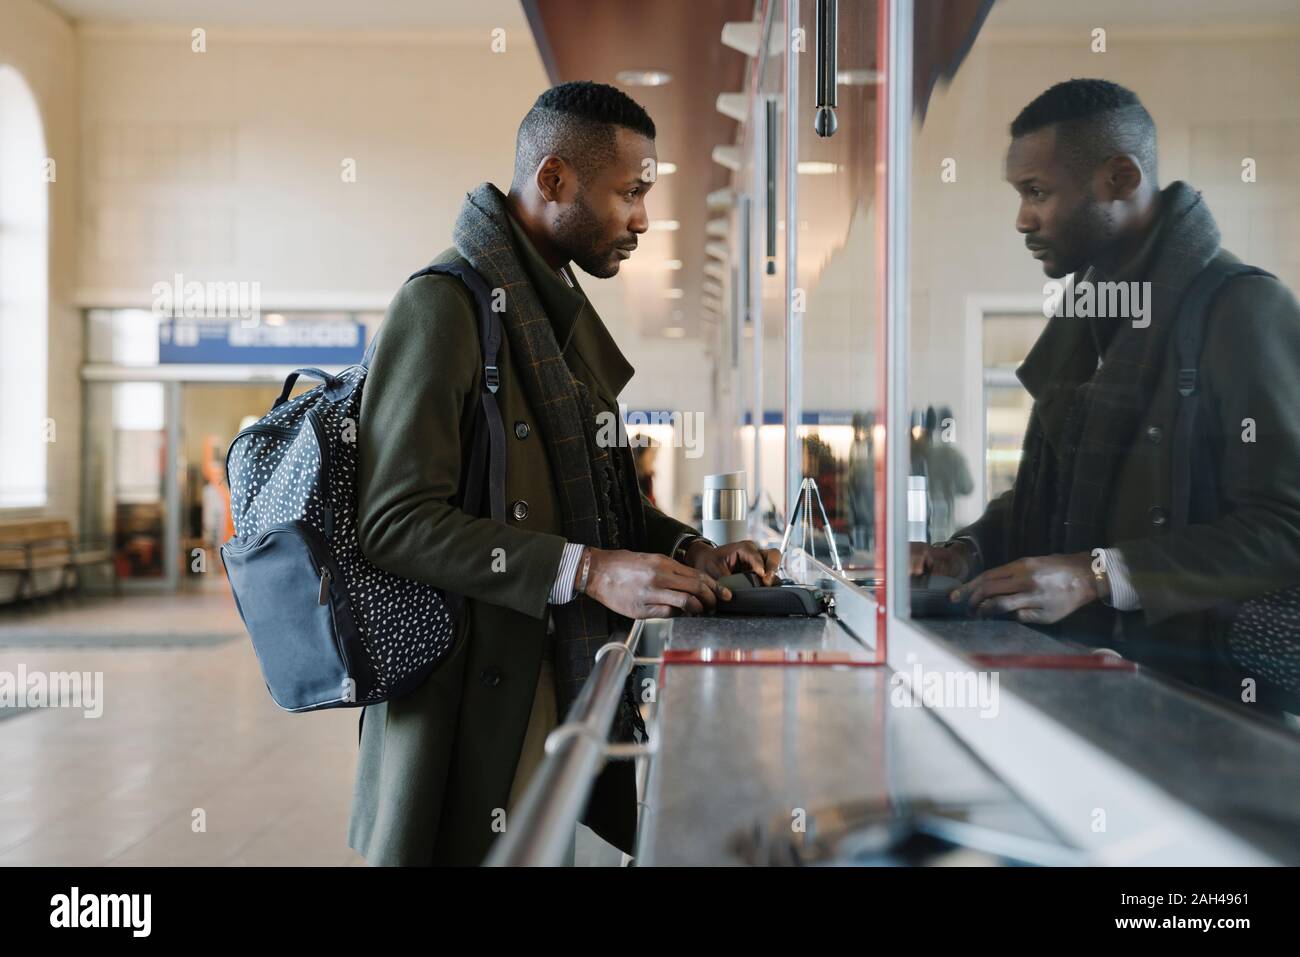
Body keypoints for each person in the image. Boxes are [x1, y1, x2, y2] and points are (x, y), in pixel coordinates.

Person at [347, 81, 780, 866]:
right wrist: (584, 571)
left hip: (550, 682)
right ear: (553, 181)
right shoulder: (443, 306)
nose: (644, 218)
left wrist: (689, 552)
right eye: (631, 193)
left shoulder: (552, 320)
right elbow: (394, 520)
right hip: (466, 707)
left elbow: (600, 503)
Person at [913, 79, 1300, 700]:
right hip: (1084, 685)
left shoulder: (1243, 307)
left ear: (1119, 177)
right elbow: (1049, 495)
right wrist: (965, 551)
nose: (1023, 219)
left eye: (1037, 193)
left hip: (1204, 710)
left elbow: (1287, 525)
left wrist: (1098, 575)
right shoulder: (1088, 315)